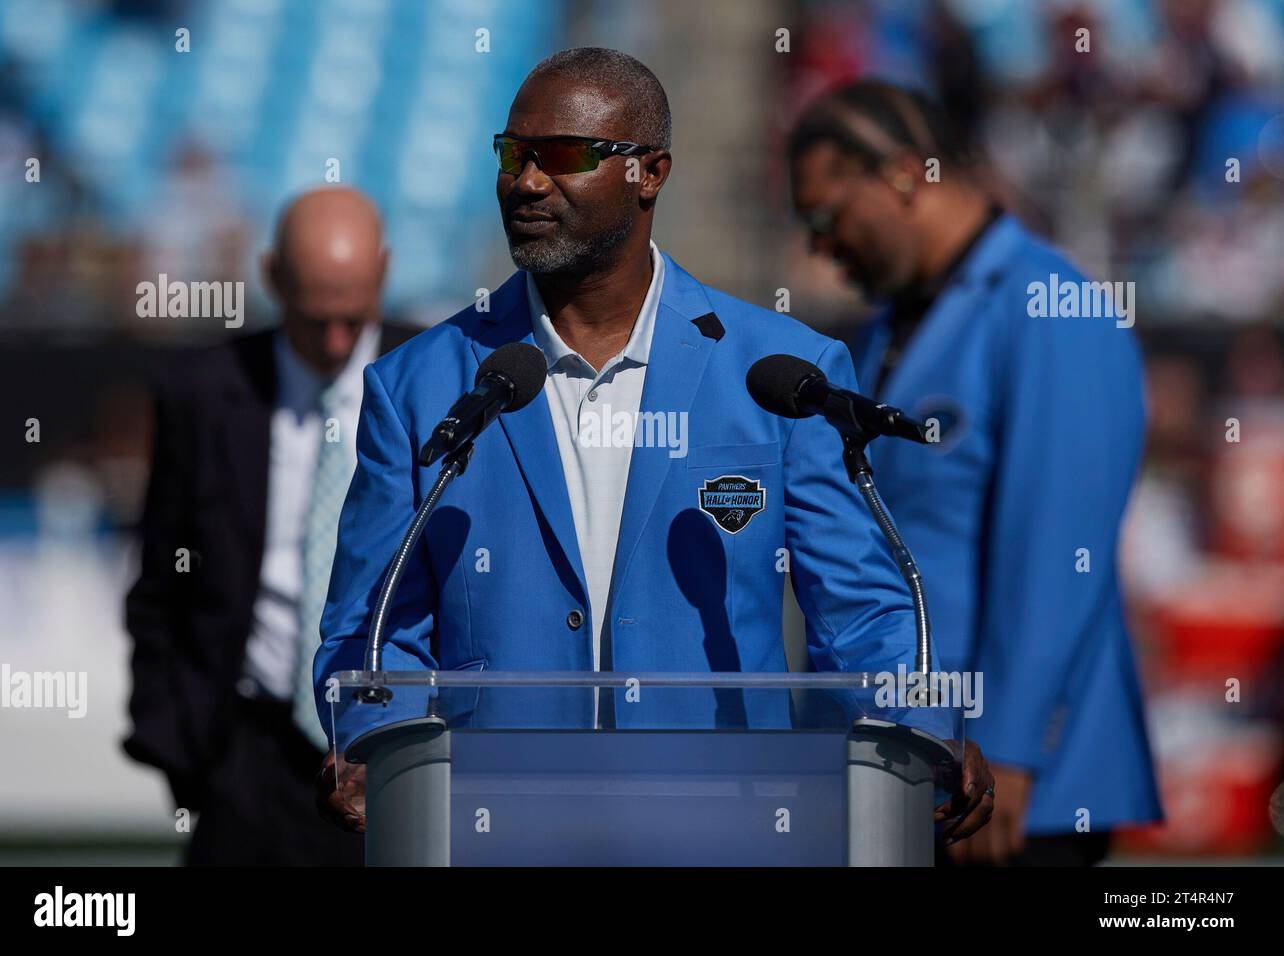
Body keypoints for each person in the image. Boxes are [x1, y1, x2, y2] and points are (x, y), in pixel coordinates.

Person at [314, 48, 995, 846]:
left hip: (729, 823)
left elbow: (860, 608)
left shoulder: (784, 373)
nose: (527, 183)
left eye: (564, 156)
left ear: (650, 173)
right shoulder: (418, 384)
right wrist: (375, 745)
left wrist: (921, 725)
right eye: (513, 155)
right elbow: (372, 626)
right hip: (497, 827)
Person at [787, 80, 1162, 865]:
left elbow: (1061, 554)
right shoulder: (893, 324)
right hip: (924, 762)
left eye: (826, 218)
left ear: (901, 174)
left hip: (1016, 788)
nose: (821, 248)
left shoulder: (1052, 308)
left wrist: (1010, 748)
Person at [123, 187, 415, 865]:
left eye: (353, 317)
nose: (337, 341)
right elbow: (161, 581)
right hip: (245, 761)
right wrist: (182, 748)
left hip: (397, 757)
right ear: (273, 277)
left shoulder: (438, 383)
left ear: (384, 273)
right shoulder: (203, 394)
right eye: (316, 319)